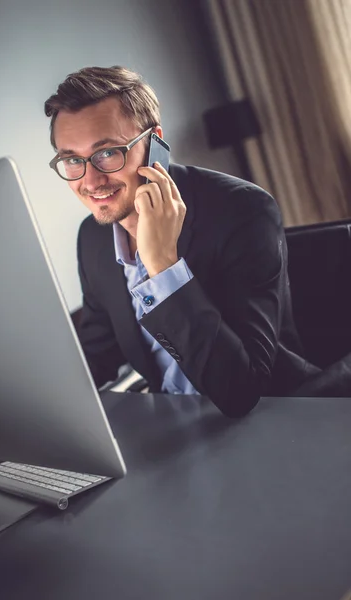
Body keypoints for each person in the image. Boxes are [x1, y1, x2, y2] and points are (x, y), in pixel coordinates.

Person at [43, 65, 348, 417]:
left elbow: (244, 389)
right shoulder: (92, 237)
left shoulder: (243, 210)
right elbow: (97, 354)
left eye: (108, 153)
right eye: (71, 159)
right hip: (175, 426)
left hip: (273, 421)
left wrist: (163, 267)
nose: (91, 180)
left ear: (154, 141)